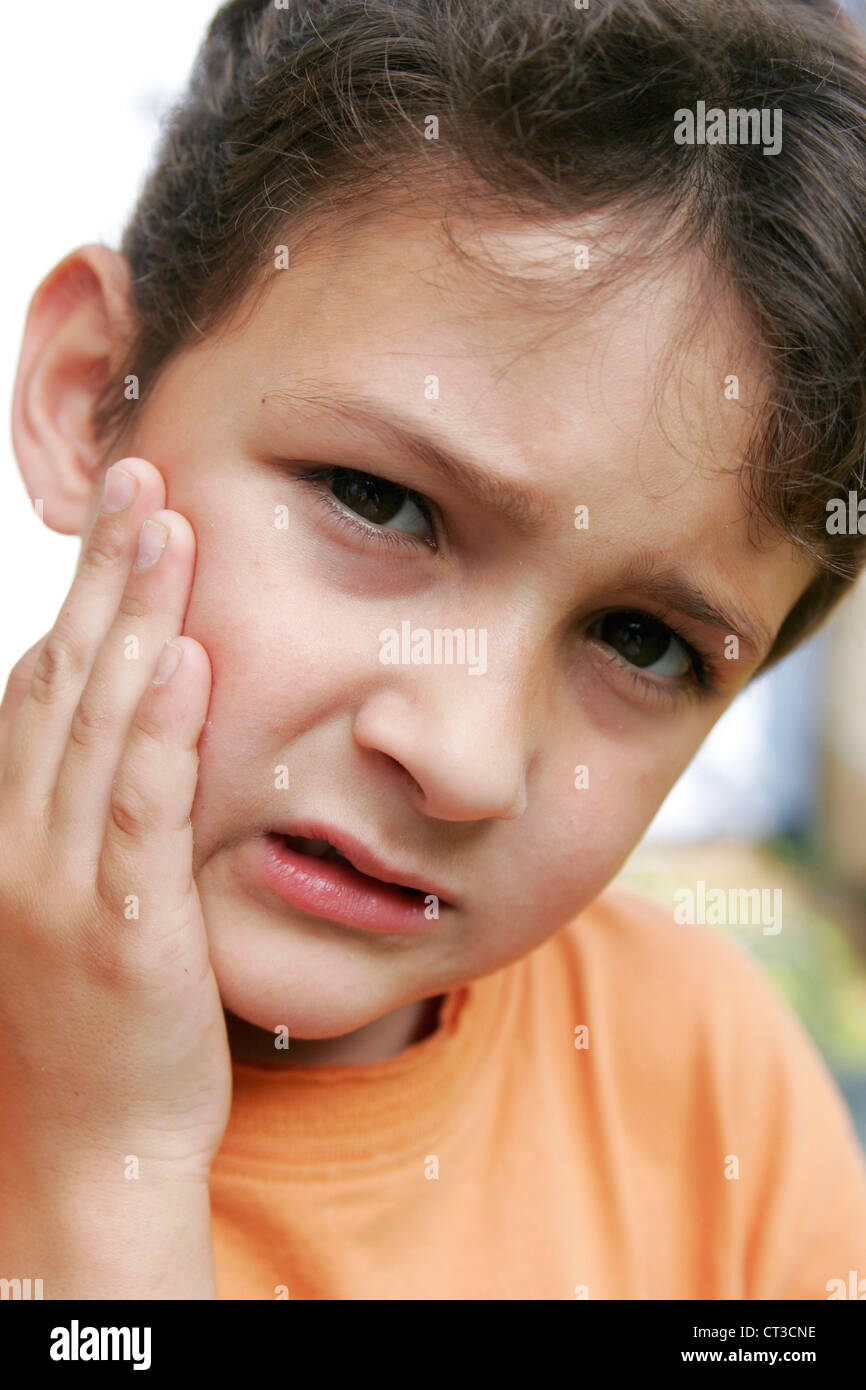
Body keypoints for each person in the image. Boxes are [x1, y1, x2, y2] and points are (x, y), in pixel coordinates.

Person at [2, 0, 865, 1299]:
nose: (463, 761)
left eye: (643, 640)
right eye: (378, 501)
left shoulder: (710, 1086)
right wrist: (94, 1168)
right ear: (90, 390)